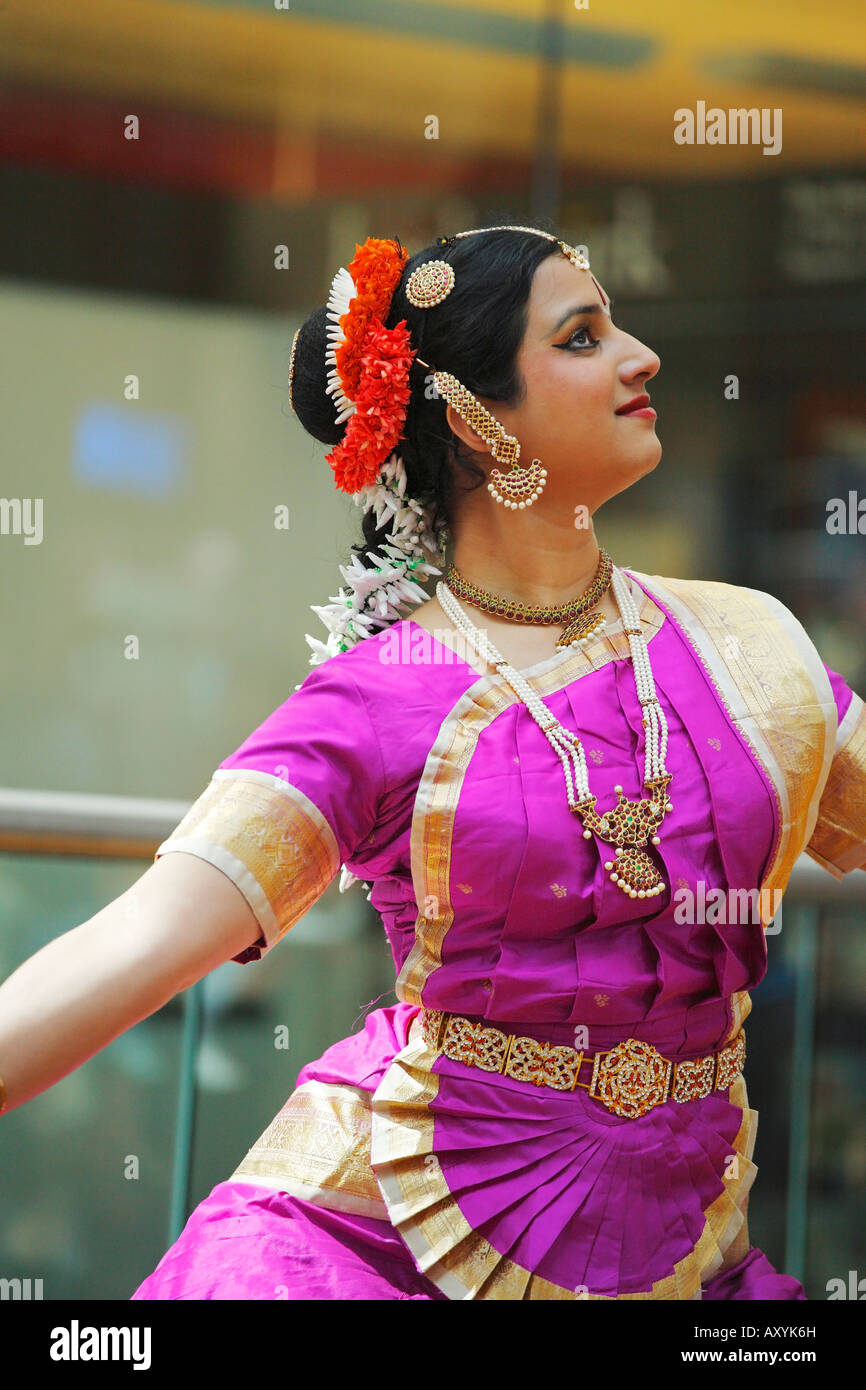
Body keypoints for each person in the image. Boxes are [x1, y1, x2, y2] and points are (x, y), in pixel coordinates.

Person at [1, 226, 864, 1301]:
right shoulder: (381, 693)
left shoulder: (749, 649)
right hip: (376, 1243)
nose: (639, 356)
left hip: (690, 1266)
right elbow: (137, 939)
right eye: (583, 336)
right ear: (471, 420)